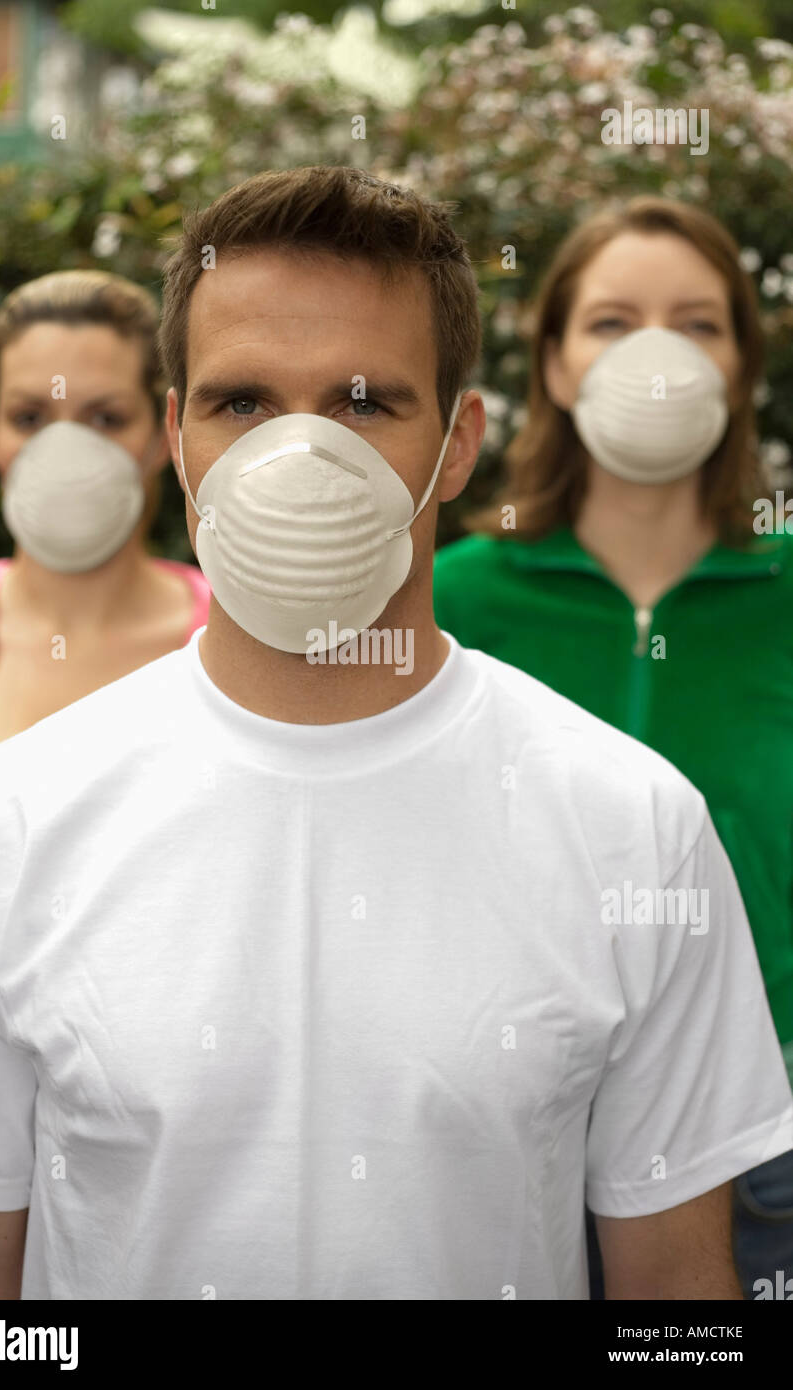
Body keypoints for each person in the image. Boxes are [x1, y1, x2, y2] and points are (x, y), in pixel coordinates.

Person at [0, 167, 791, 1301]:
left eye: (362, 402)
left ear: (458, 442)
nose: (299, 457)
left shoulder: (633, 827)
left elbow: (677, 1297)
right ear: (178, 438)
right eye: (243, 403)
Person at [433, 195, 793, 1298]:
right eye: (610, 321)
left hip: (764, 1147)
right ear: (548, 363)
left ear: (737, 366)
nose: (654, 354)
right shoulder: (443, 597)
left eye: (694, 324)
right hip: (496, 1136)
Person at [0, 270, 211, 799]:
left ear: (160, 437)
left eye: (104, 417)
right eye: (30, 417)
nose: (65, 449)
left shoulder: (240, 636)